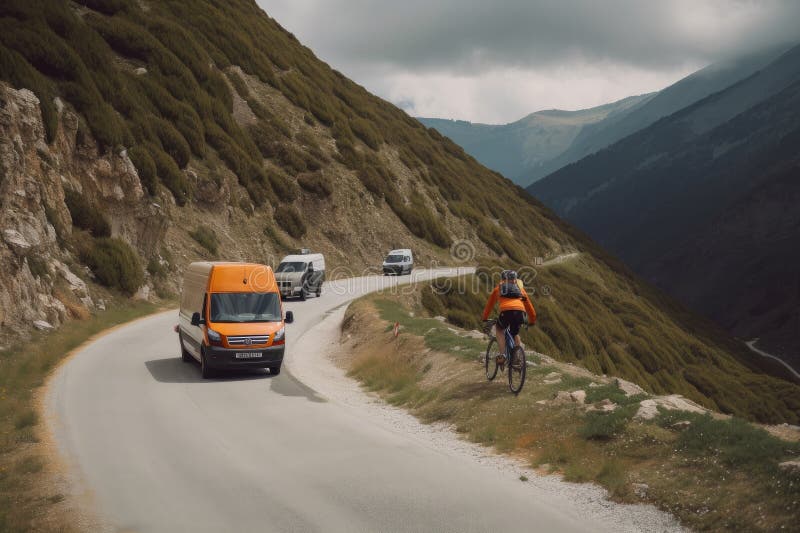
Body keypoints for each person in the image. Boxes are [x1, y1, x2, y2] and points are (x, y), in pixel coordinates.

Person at [481, 270, 536, 362]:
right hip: (520, 313)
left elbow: (489, 306)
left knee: (499, 329)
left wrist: (485, 318)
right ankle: (518, 358)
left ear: (503, 279)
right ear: (515, 279)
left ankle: (502, 355)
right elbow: (529, 307)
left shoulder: (498, 288)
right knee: (515, 333)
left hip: (506, 312)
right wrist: (532, 320)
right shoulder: (520, 289)